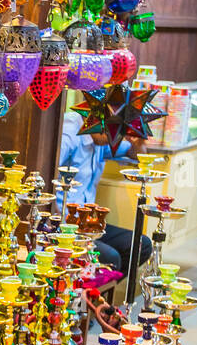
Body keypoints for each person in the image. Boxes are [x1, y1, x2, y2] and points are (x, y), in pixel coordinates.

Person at [58, 109, 152, 277]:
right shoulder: (70, 130)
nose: (114, 137)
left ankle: (97, 295)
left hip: (88, 222)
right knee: (110, 258)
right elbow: (43, 167)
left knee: (140, 245)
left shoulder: (103, 138)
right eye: (111, 130)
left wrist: (139, 138)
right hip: (64, 222)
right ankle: (88, 296)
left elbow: (137, 153)